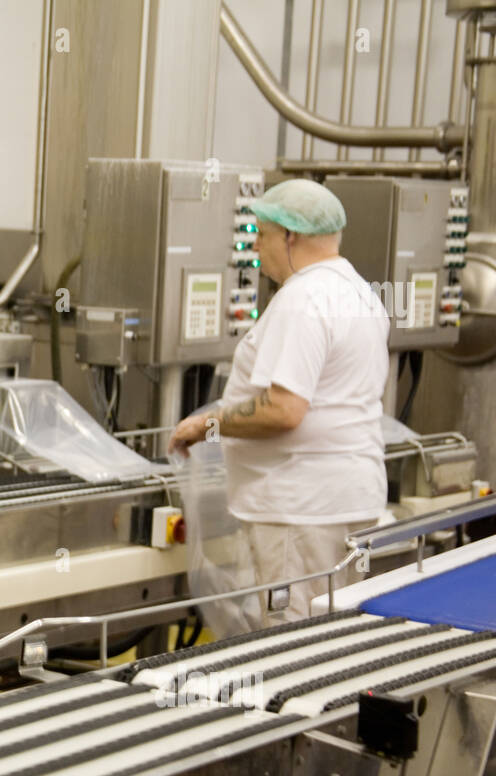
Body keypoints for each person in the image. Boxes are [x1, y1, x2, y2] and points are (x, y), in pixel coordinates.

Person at [167, 178, 390, 622]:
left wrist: (206, 425)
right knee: (335, 629)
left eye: (262, 235)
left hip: (300, 508)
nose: (257, 248)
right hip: (350, 498)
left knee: (295, 638)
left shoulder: (303, 299)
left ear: (291, 235)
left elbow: (284, 409)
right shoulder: (360, 293)